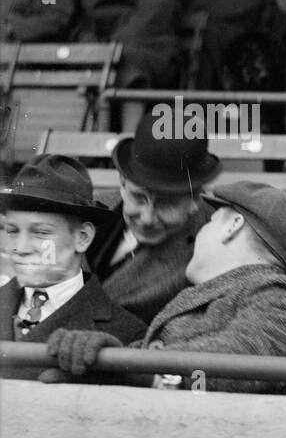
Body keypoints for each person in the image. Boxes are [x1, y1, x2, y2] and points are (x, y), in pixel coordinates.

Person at [46, 180, 286, 394]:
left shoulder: (281, 293)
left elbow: (247, 353)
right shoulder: (227, 293)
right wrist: (104, 358)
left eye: (210, 222)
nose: (199, 234)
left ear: (233, 226)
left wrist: (135, 367)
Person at [0, 155, 145, 377]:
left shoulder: (126, 333)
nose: (21, 247)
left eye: (41, 232)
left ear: (83, 237)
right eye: (12, 231)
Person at [85, 120, 222, 323]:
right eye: (139, 198)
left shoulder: (214, 251)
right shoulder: (87, 208)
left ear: (195, 199)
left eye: (166, 204)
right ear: (122, 183)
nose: (147, 218)